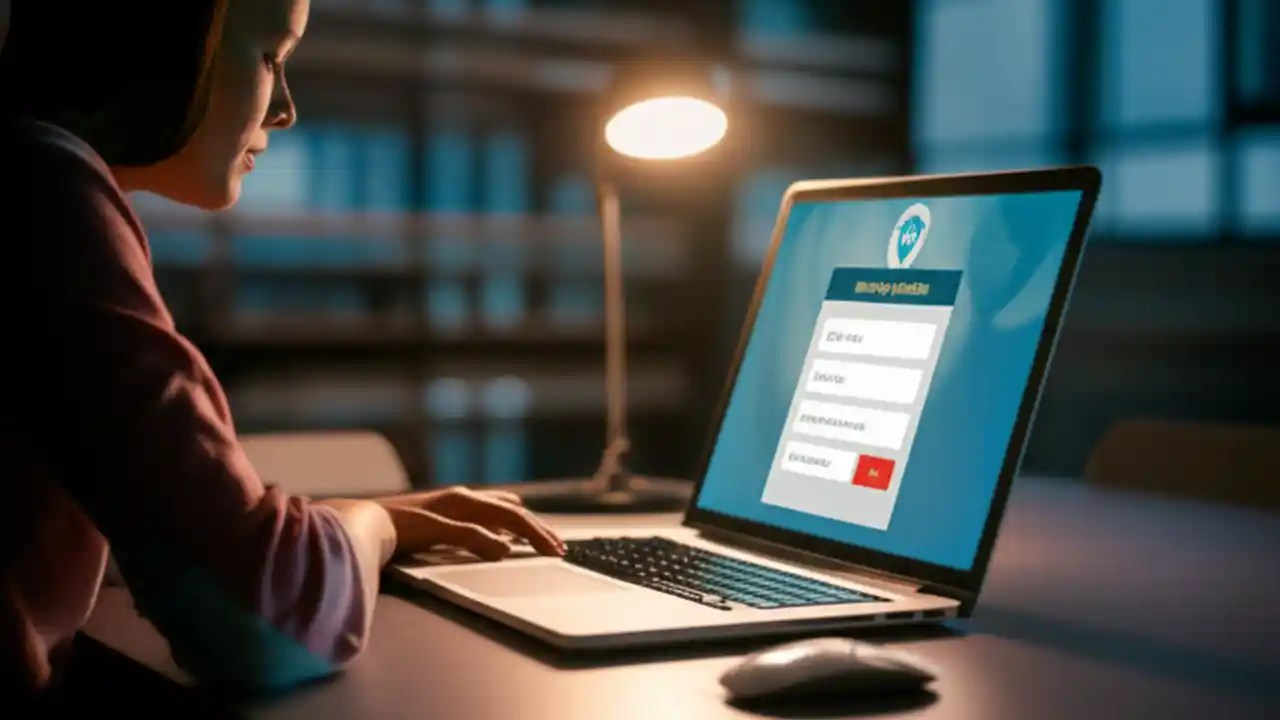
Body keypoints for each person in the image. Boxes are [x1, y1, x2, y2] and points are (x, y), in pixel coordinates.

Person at [0, 0, 566, 702]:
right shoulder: (41, 200)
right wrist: (372, 524)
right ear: (179, 36)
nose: (285, 110)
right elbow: (258, 623)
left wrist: (318, 527)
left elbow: (143, 523)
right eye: (272, 56)